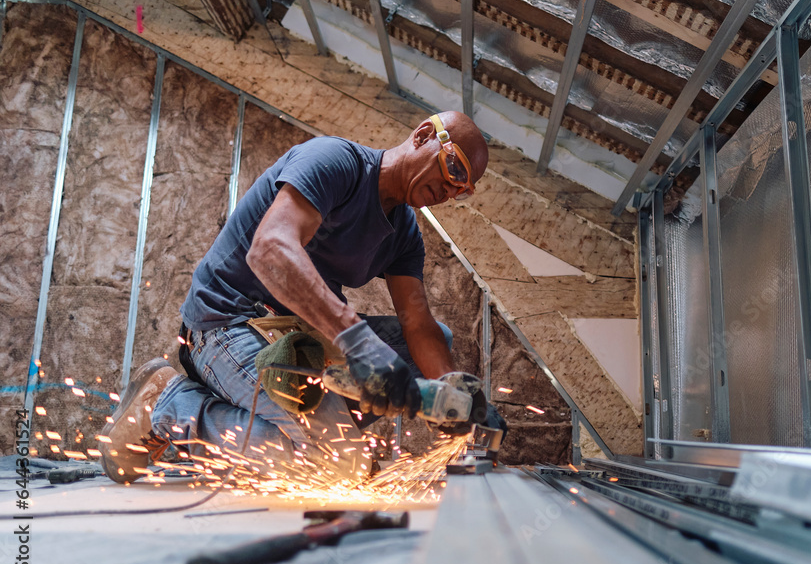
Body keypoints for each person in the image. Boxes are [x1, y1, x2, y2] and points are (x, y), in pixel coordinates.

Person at [98, 111, 505, 484]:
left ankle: (322, 442)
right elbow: (269, 250)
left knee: (433, 345)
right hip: (228, 321)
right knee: (340, 468)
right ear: (423, 136)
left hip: (297, 337)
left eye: (463, 190)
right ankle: (170, 403)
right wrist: (358, 341)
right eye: (454, 168)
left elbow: (418, 324)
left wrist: (454, 395)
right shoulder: (335, 161)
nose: (451, 189)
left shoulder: (405, 234)